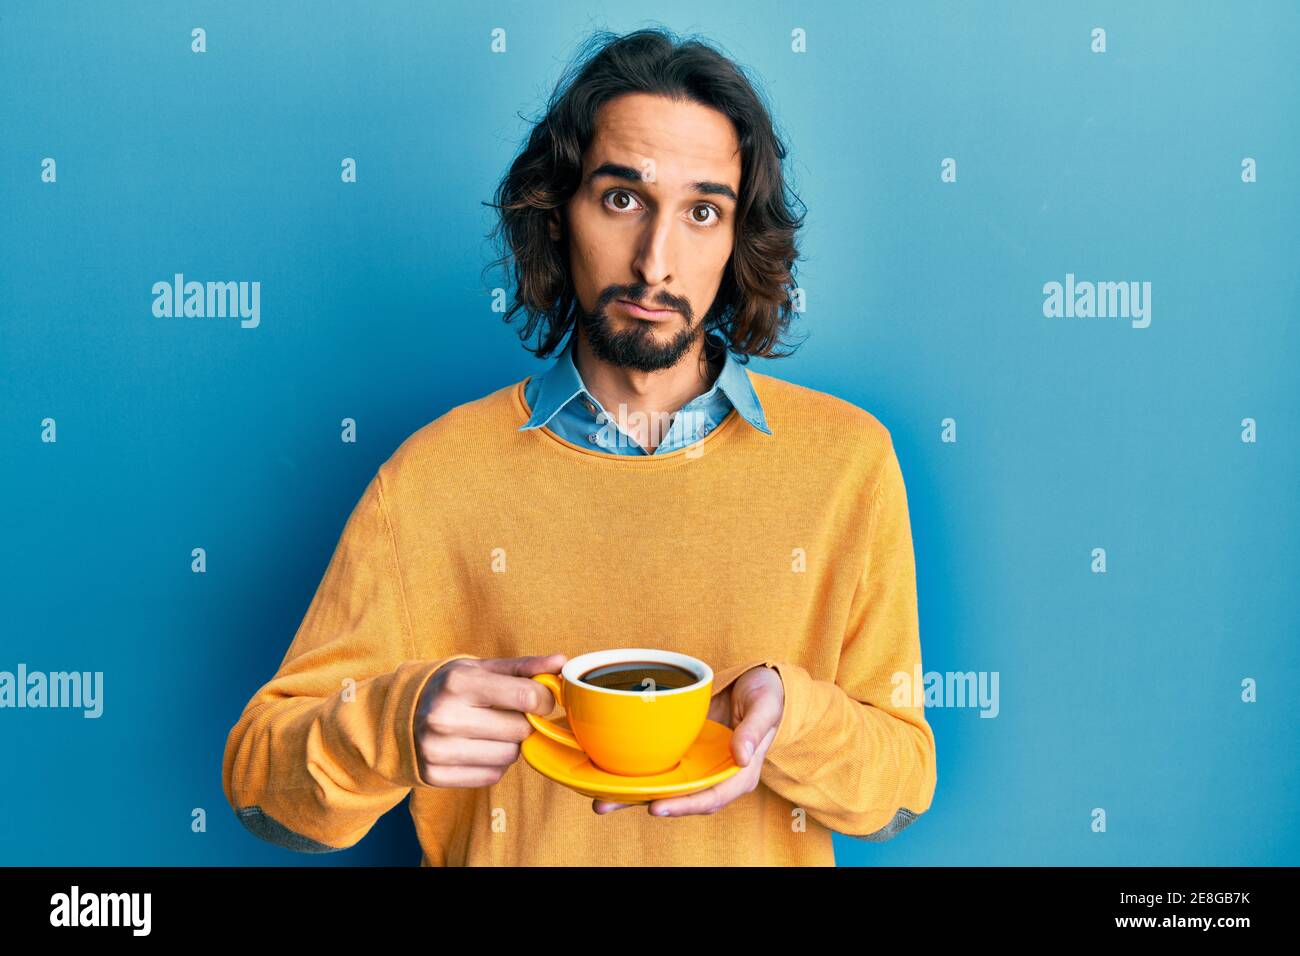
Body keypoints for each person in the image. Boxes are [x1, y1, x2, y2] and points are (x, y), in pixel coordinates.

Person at [221, 26, 937, 866]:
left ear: (736, 240)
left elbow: (899, 794)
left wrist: (793, 718)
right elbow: (261, 797)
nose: (656, 262)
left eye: (702, 212)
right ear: (558, 215)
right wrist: (394, 723)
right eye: (622, 199)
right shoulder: (430, 478)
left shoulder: (847, 462)